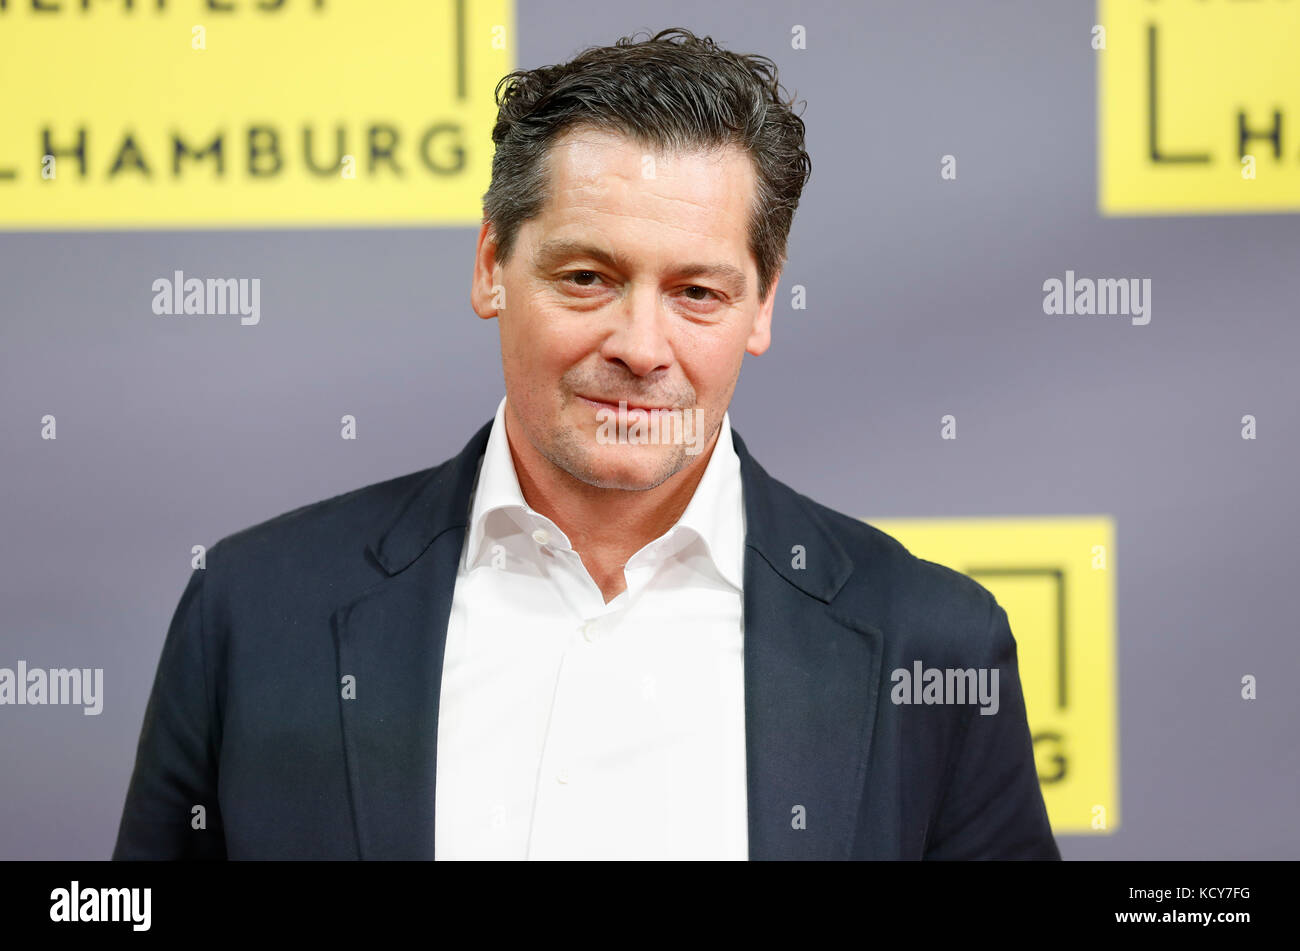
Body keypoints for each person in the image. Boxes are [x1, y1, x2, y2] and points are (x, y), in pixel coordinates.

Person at [113, 27, 1059, 860]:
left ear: (764, 304)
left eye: (699, 293)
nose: (641, 348)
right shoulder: (254, 613)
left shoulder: (932, 642)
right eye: (588, 277)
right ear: (492, 266)